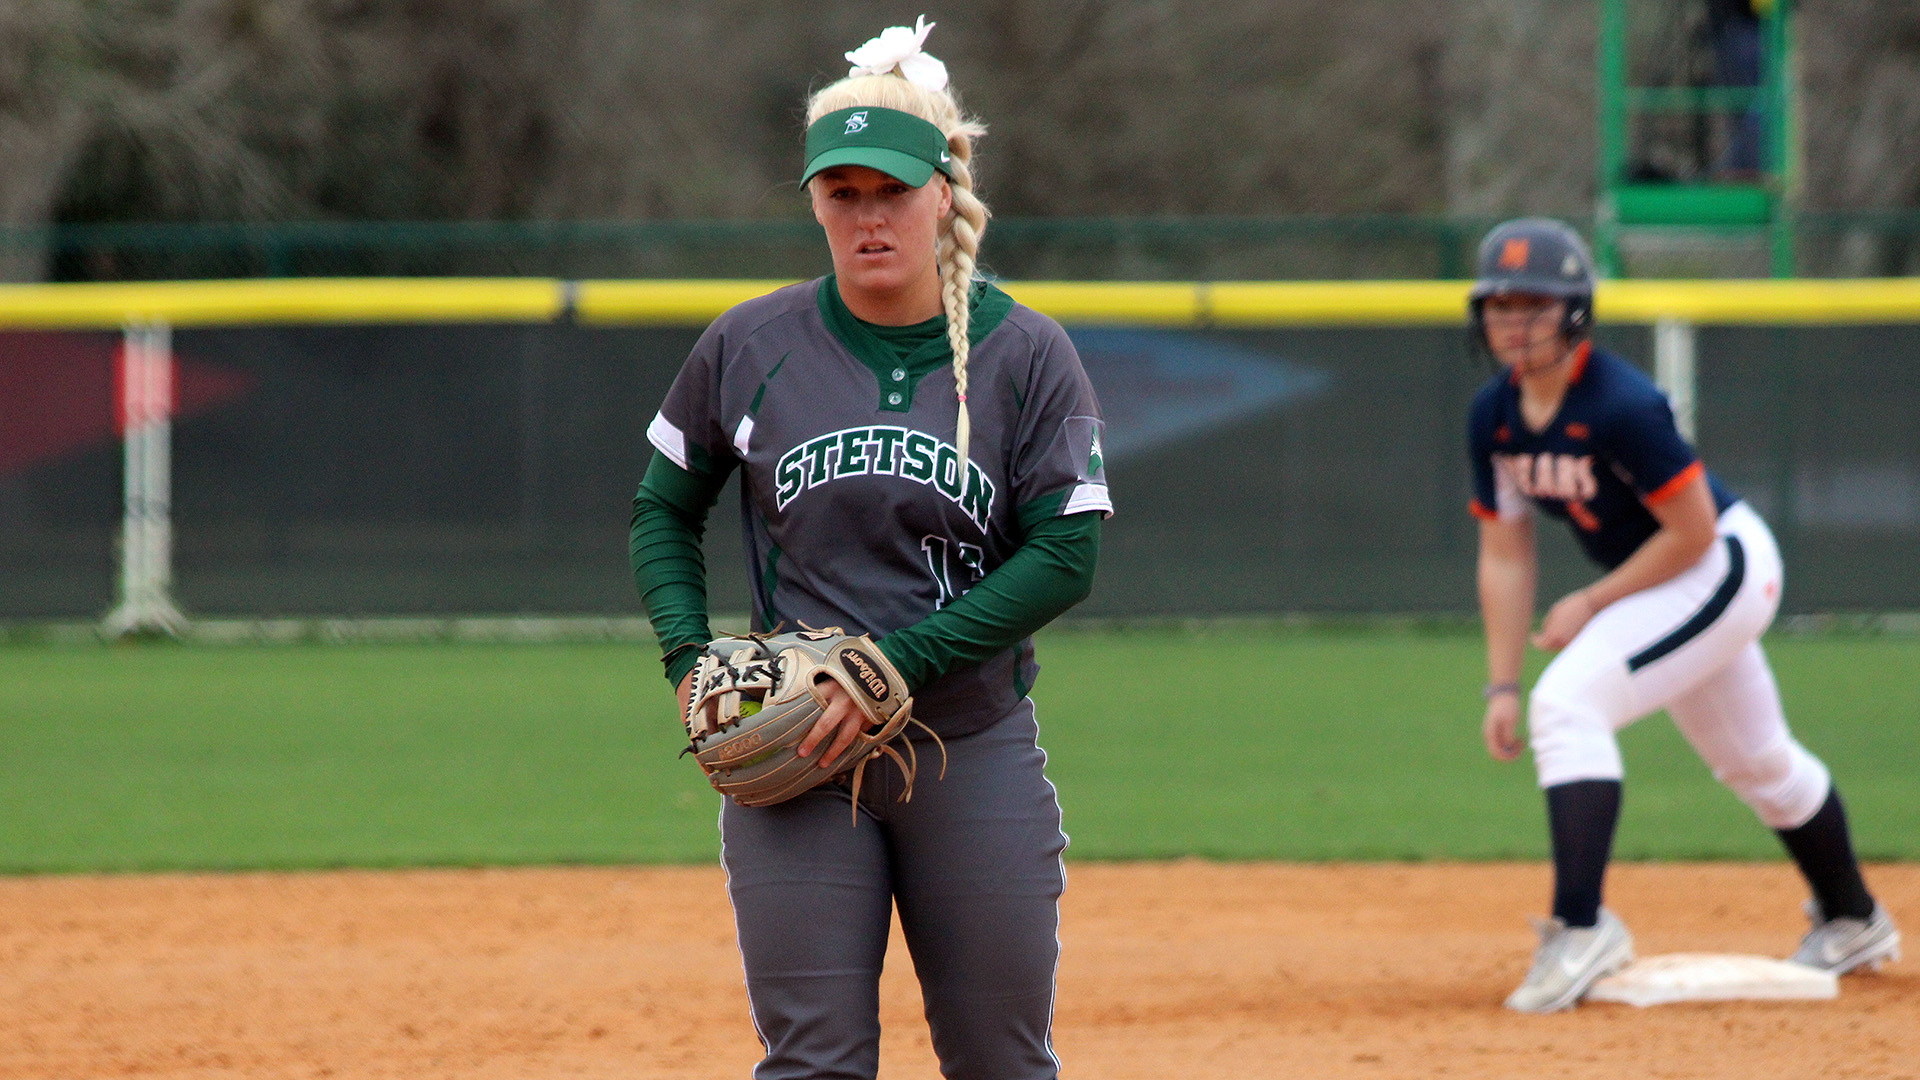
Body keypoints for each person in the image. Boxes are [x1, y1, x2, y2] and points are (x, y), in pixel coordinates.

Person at [629, 17, 1109, 1079]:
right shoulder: (750, 345)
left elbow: (1066, 557)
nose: (869, 216)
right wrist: (683, 656)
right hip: (798, 757)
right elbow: (663, 510)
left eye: (891, 190)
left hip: (970, 745)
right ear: (814, 201)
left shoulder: (1025, 354)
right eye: (842, 193)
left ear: (945, 189)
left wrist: (899, 660)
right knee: (814, 1066)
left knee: (1000, 1061)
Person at [1465, 218, 1901, 1013]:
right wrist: (1499, 683)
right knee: (1757, 761)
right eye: (1500, 306)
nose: (1513, 323)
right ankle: (1852, 919)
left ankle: (1581, 926)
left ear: (1574, 315)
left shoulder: (1622, 404)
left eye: (1535, 305)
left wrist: (1593, 602)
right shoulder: (1492, 418)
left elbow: (1694, 531)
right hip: (1664, 581)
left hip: (1720, 564)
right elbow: (1504, 551)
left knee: (1568, 703)